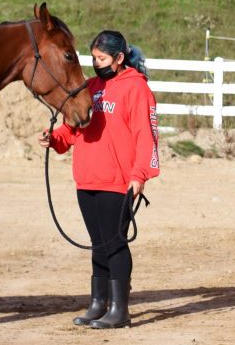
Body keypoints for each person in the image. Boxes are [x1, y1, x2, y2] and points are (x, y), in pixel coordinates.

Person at [39, 30, 160, 329]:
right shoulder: (89, 87)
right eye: (93, 58)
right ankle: (98, 302)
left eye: (102, 58)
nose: (96, 63)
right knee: (98, 244)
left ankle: (120, 308)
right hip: (87, 179)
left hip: (118, 181)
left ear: (119, 59)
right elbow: (74, 127)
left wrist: (139, 175)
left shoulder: (137, 89)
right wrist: (54, 139)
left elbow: (146, 135)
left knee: (115, 243)